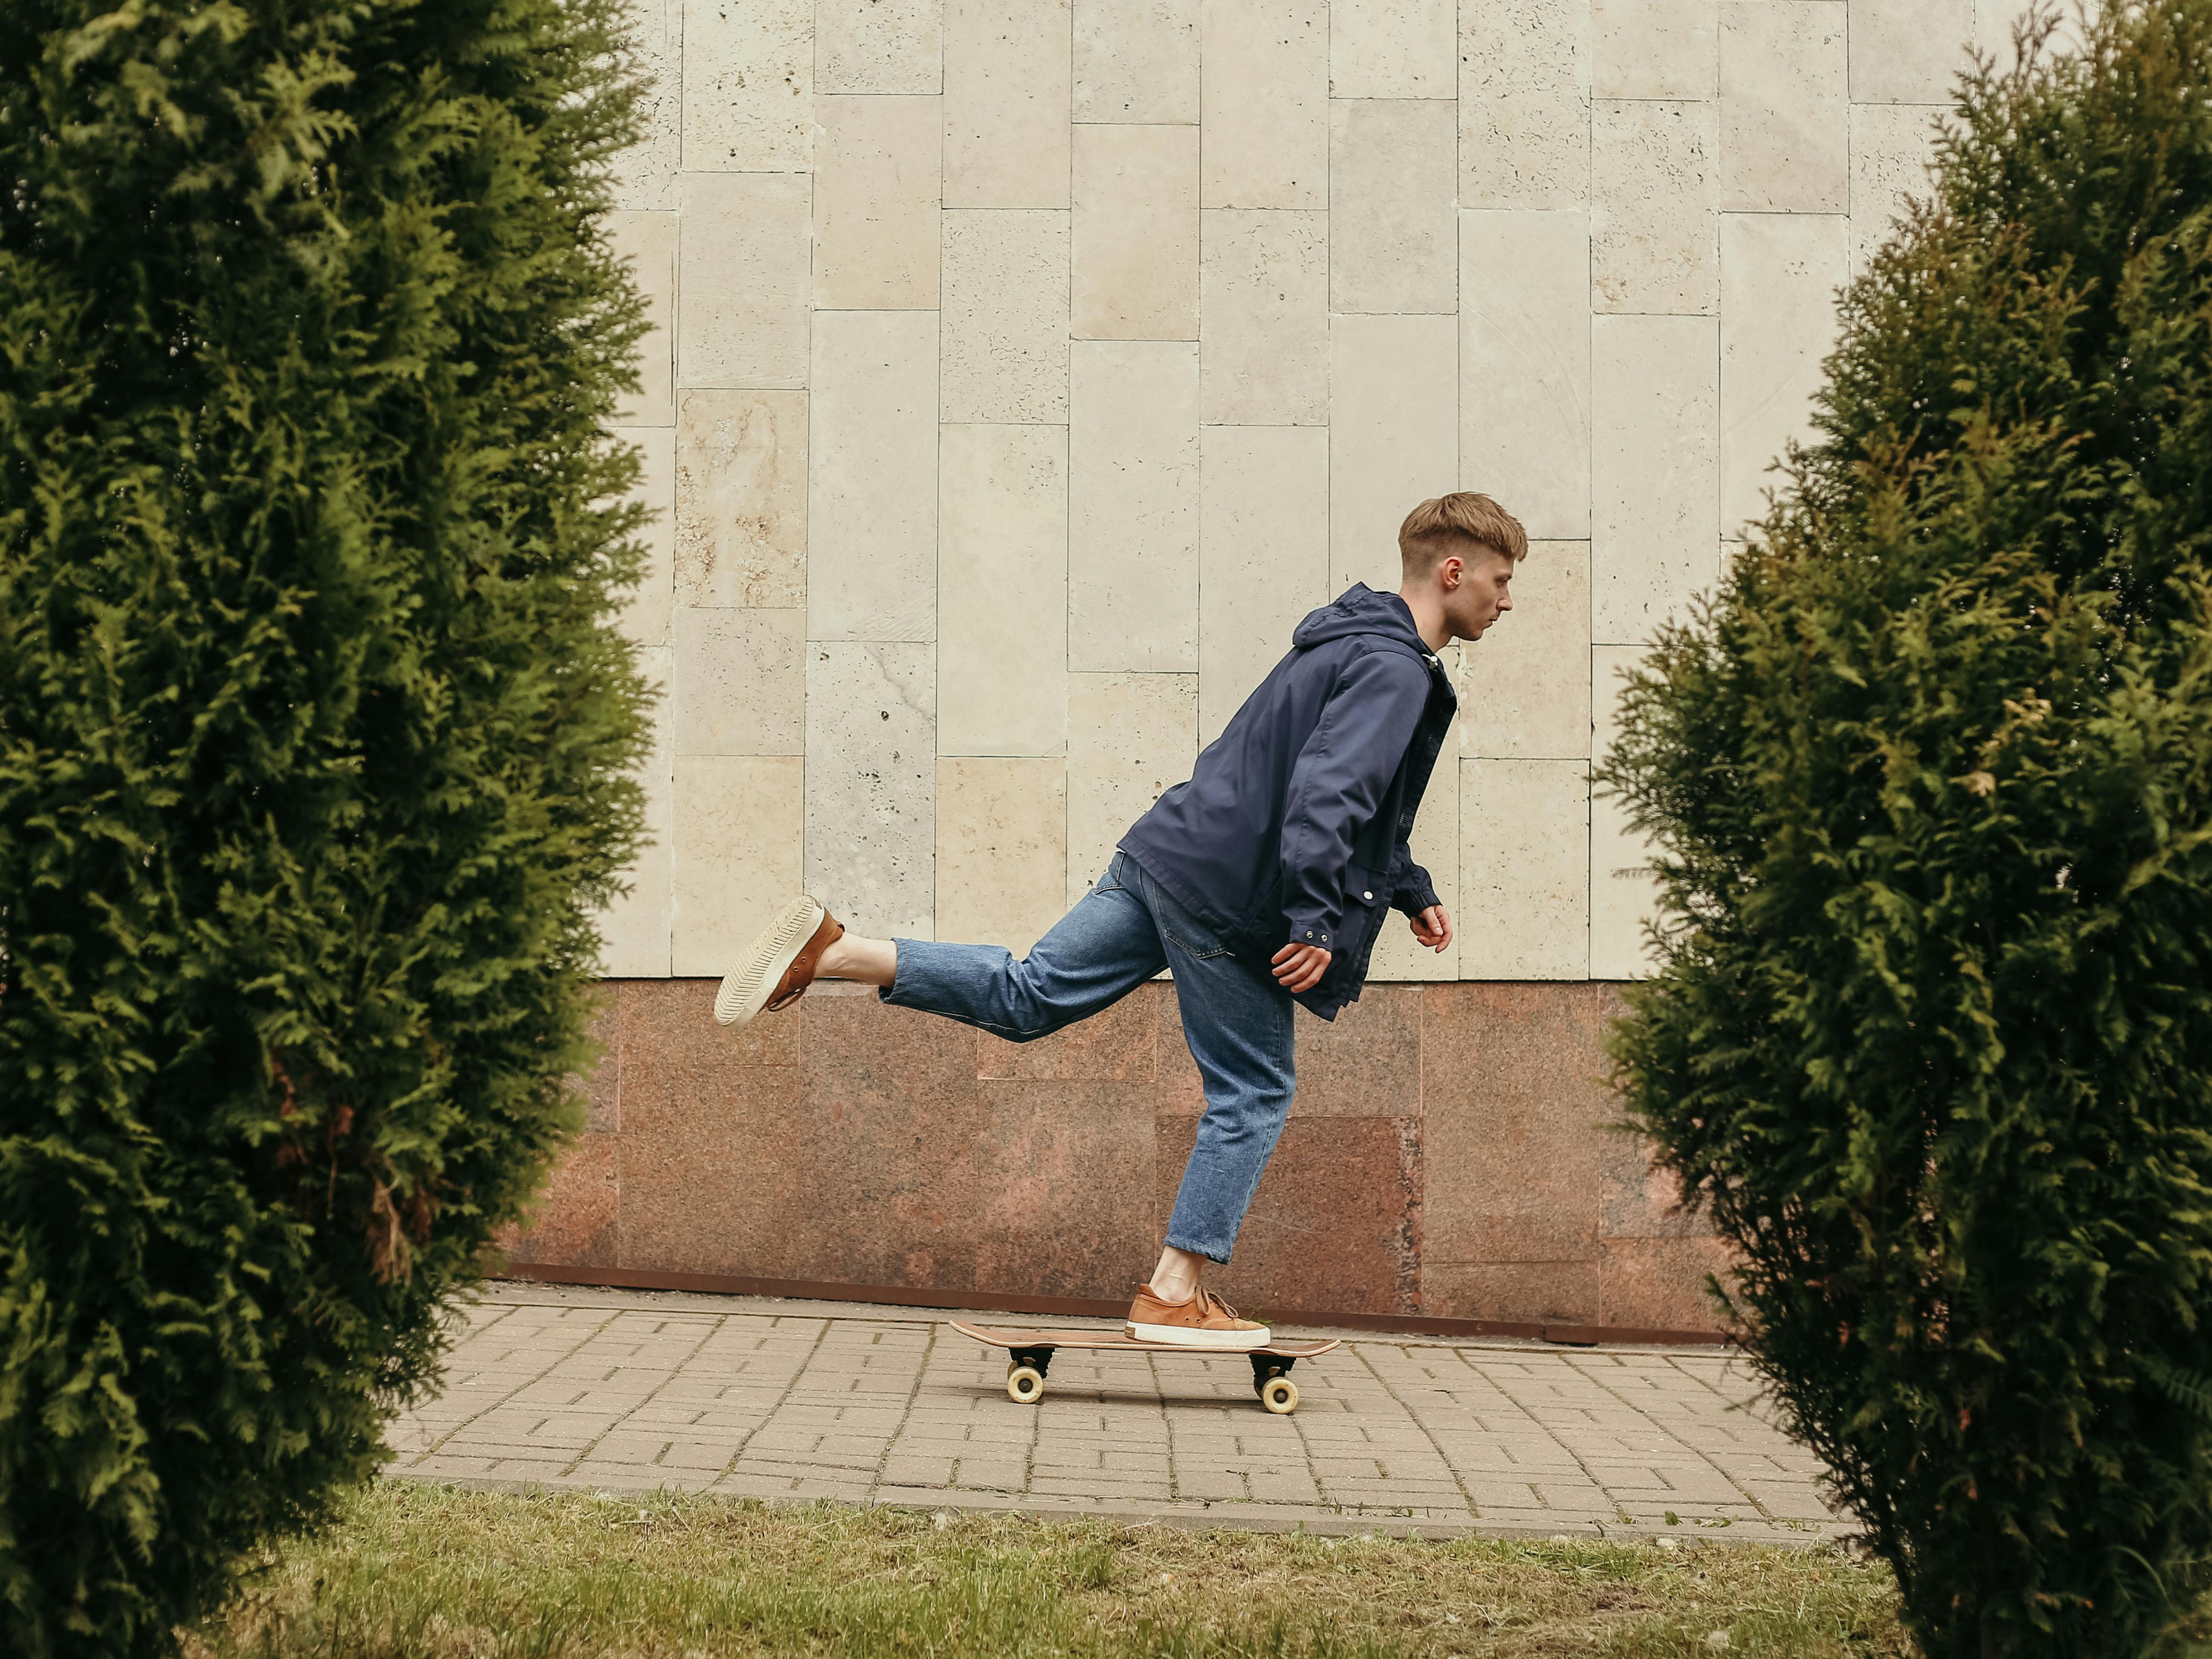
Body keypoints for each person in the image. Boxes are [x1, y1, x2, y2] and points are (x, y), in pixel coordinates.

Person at [715, 493, 1526, 1349]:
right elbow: (1330, 794)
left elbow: (1325, 784)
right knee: (1253, 1090)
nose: (1506, 601)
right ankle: (1174, 1290)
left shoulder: (1342, 639)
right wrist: (1315, 921)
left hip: (1164, 854)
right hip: (1226, 897)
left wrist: (1408, 887)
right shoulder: (1394, 668)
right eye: (1500, 581)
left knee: (1030, 995)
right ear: (1452, 571)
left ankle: (836, 951)